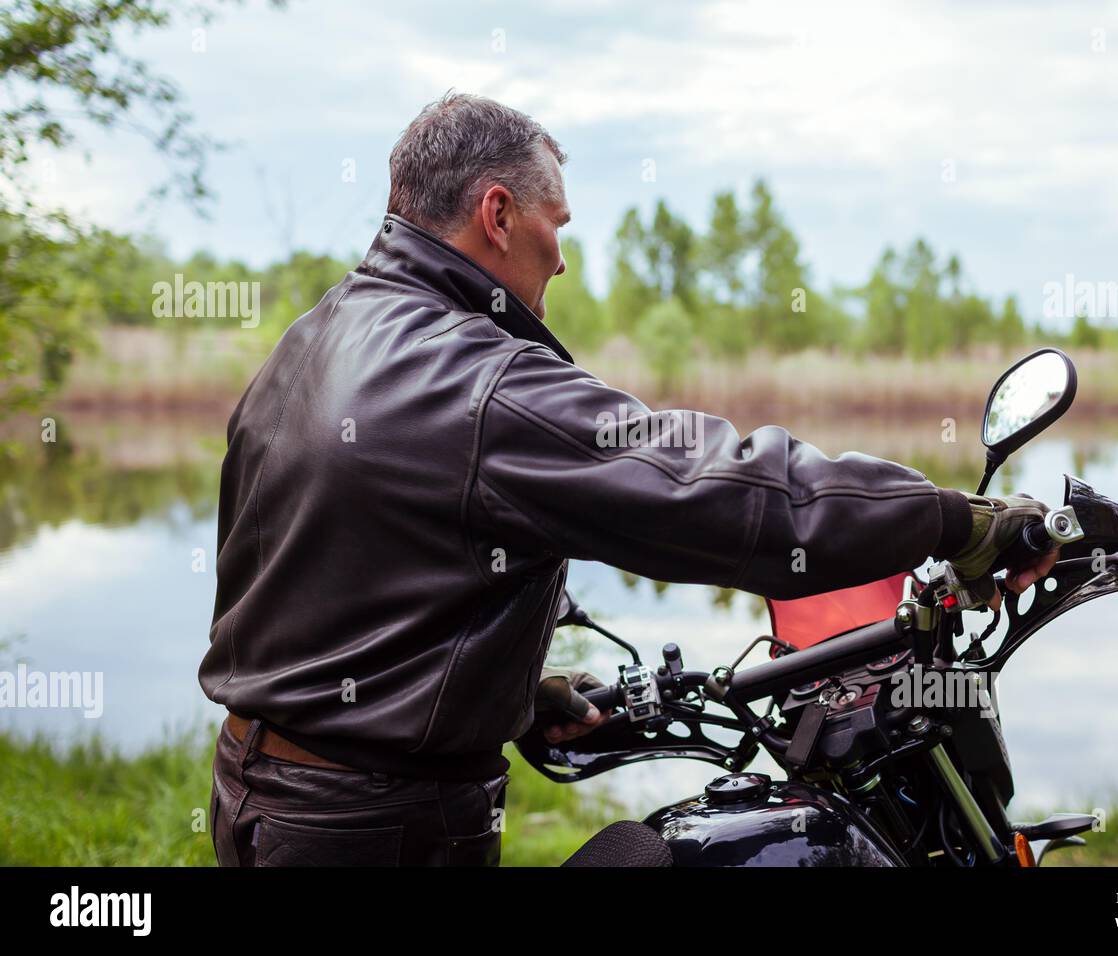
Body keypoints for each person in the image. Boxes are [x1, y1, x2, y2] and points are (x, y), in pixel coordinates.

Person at [199, 92, 1056, 867]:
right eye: (556, 225)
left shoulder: (313, 339)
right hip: (373, 828)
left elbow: (323, 573)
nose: (562, 261)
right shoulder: (477, 379)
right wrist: (960, 523)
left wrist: (504, 694)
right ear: (497, 213)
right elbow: (719, 488)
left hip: (258, 791)